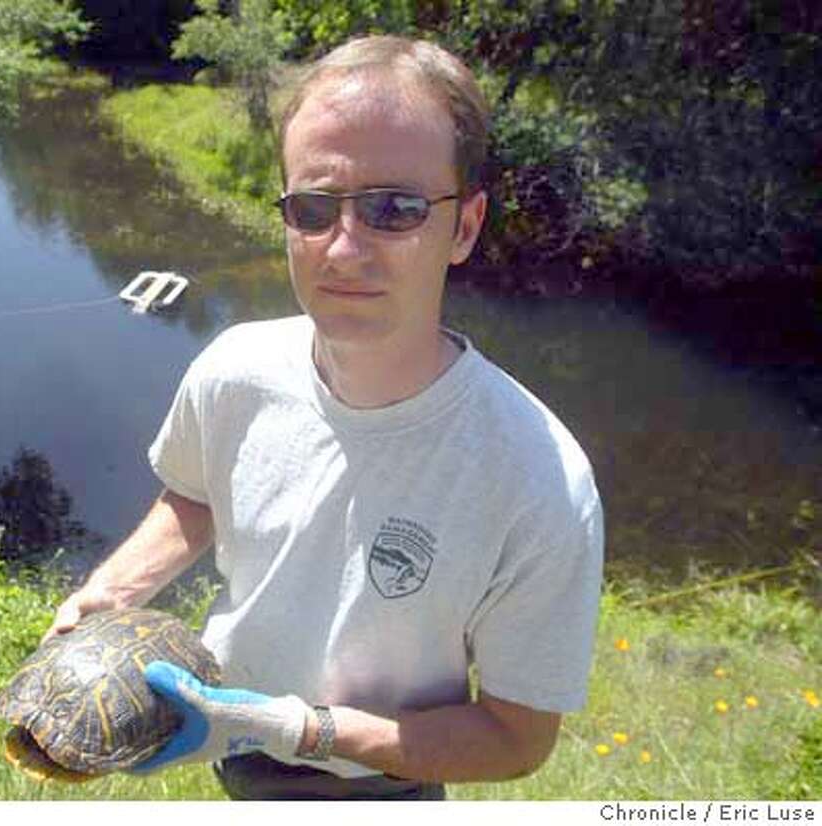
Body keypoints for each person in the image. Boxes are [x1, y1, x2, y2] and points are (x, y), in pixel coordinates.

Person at [45, 34, 604, 800]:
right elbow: (197, 491)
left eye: (394, 210)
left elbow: (515, 738)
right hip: (225, 754)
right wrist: (113, 592)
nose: (344, 248)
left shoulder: (540, 479)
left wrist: (301, 728)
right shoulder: (233, 370)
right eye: (313, 208)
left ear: (465, 227)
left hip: (383, 783)